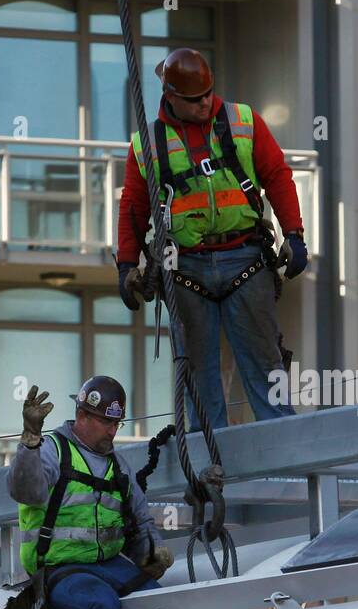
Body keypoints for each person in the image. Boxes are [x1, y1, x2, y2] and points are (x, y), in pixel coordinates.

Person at [6, 374, 285, 609]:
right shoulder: (51, 451)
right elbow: (25, 490)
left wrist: (153, 551)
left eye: (116, 424)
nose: (112, 430)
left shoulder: (117, 465)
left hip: (108, 565)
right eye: (105, 422)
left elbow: (139, 518)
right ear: (82, 415)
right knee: (102, 604)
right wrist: (29, 441)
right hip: (59, 570)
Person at [116, 47, 308, 429]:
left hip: (246, 259)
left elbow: (277, 176)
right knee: (200, 379)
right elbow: (134, 208)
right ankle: (211, 469)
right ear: (170, 97)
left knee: (265, 366)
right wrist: (125, 265)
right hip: (186, 267)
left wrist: (295, 233)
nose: (205, 103)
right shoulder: (148, 143)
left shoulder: (242, 121)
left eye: (207, 94)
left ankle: (283, 452)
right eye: (194, 99)